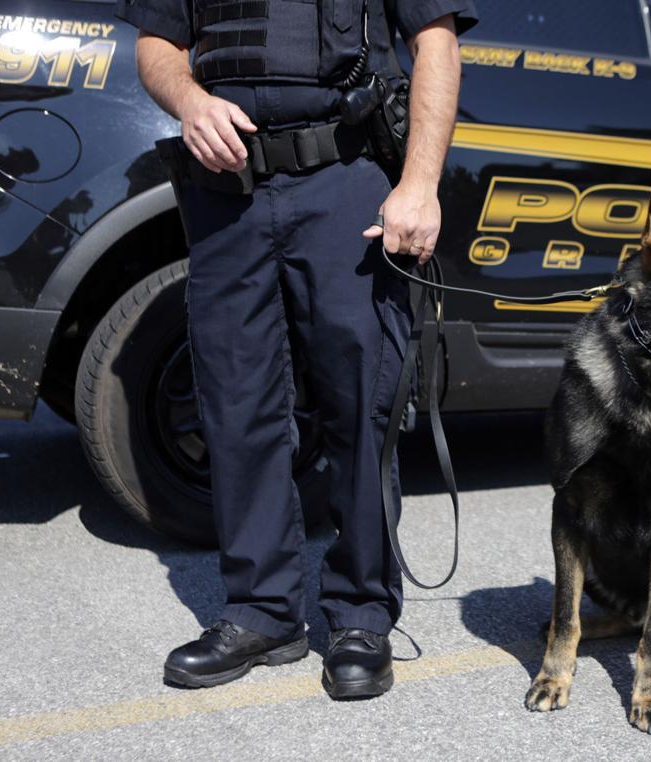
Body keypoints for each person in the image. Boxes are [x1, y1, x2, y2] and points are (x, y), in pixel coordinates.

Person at [115, 0, 477, 699]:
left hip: (343, 178)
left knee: (359, 403)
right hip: (228, 193)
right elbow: (157, 47)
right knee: (235, 401)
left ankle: (361, 615)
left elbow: (436, 44)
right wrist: (189, 101)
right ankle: (263, 614)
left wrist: (421, 184)